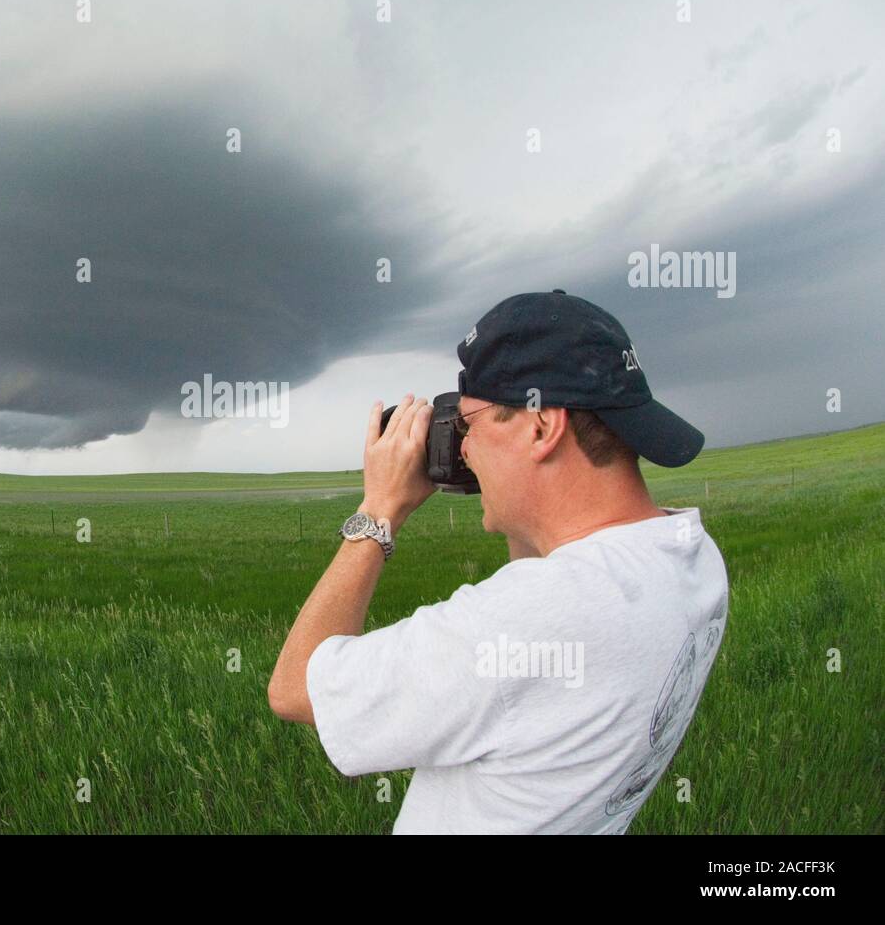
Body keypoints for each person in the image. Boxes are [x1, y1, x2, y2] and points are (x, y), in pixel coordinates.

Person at [268, 289, 729, 834]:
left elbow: (295, 687)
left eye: (470, 426)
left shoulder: (522, 623)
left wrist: (379, 510)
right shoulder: (691, 557)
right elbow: (550, 575)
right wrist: (514, 492)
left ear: (541, 426)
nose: (462, 449)